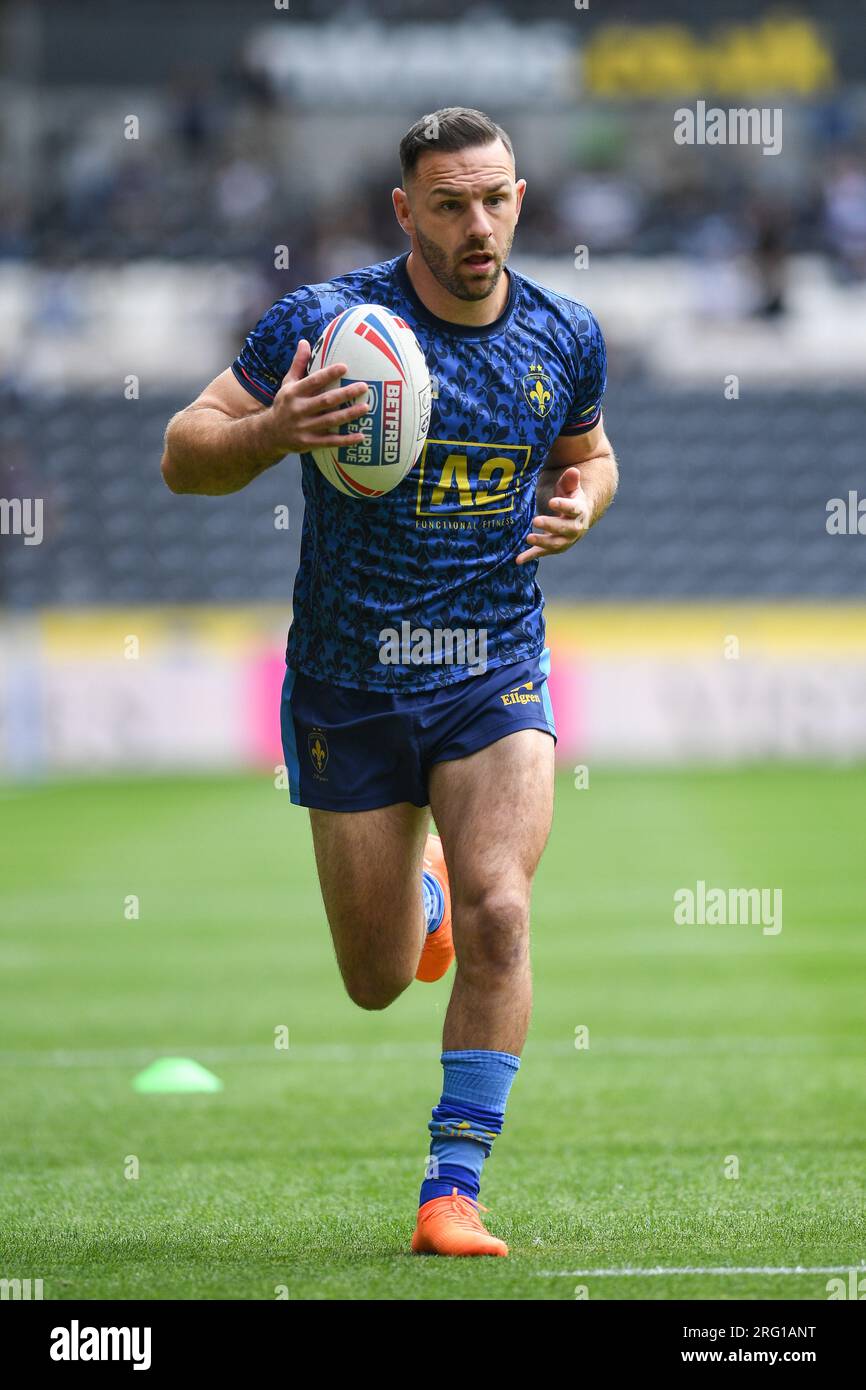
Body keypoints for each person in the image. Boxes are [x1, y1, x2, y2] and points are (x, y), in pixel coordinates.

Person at [161, 106, 618, 1257]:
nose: (480, 223)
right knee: (373, 982)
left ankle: (449, 1190)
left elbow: (591, 454)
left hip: (490, 668)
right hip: (347, 680)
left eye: (498, 196)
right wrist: (271, 429)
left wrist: (583, 502)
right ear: (404, 210)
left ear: (521, 196)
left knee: (501, 909)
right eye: (452, 203)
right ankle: (416, 903)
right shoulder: (325, 324)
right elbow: (182, 452)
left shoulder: (564, 336)